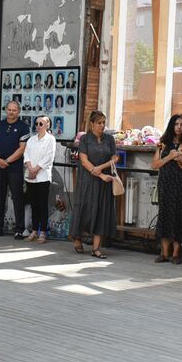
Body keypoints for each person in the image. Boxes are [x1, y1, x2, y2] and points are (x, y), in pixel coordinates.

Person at [72, 110, 118, 259]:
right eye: (99, 123)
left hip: (103, 182)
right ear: (92, 124)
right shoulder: (85, 139)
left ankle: (96, 248)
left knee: (101, 211)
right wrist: (99, 173)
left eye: (104, 123)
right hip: (87, 180)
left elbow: (115, 158)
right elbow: (84, 161)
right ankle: (77, 237)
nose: (102, 126)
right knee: (84, 210)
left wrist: (102, 167)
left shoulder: (109, 139)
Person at [152, 113, 182, 264]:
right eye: (176, 124)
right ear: (172, 125)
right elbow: (155, 164)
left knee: (180, 215)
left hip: (181, 184)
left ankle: (176, 254)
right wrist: (169, 157)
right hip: (165, 183)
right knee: (165, 214)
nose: (179, 127)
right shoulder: (163, 142)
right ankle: (164, 253)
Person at [0, 101, 28, 239]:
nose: (11, 112)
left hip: (15, 168)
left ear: (19, 111)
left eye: (14, 110)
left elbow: (22, 148)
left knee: (17, 198)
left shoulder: (23, 127)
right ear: (6, 110)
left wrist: (7, 161)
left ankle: (19, 229)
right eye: (9, 109)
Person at [22, 115, 56, 243]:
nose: (38, 126)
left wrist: (35, 170)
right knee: (33, 204)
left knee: (42, 205)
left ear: (47, 125)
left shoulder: (50, 139)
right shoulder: (31, 140)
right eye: (36, 123)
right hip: (30, 176)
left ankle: (43, 232)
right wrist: (30, 168)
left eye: (41, 124)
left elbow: (48, 158)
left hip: (42, 176)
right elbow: (26, 155)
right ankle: (34, 230)